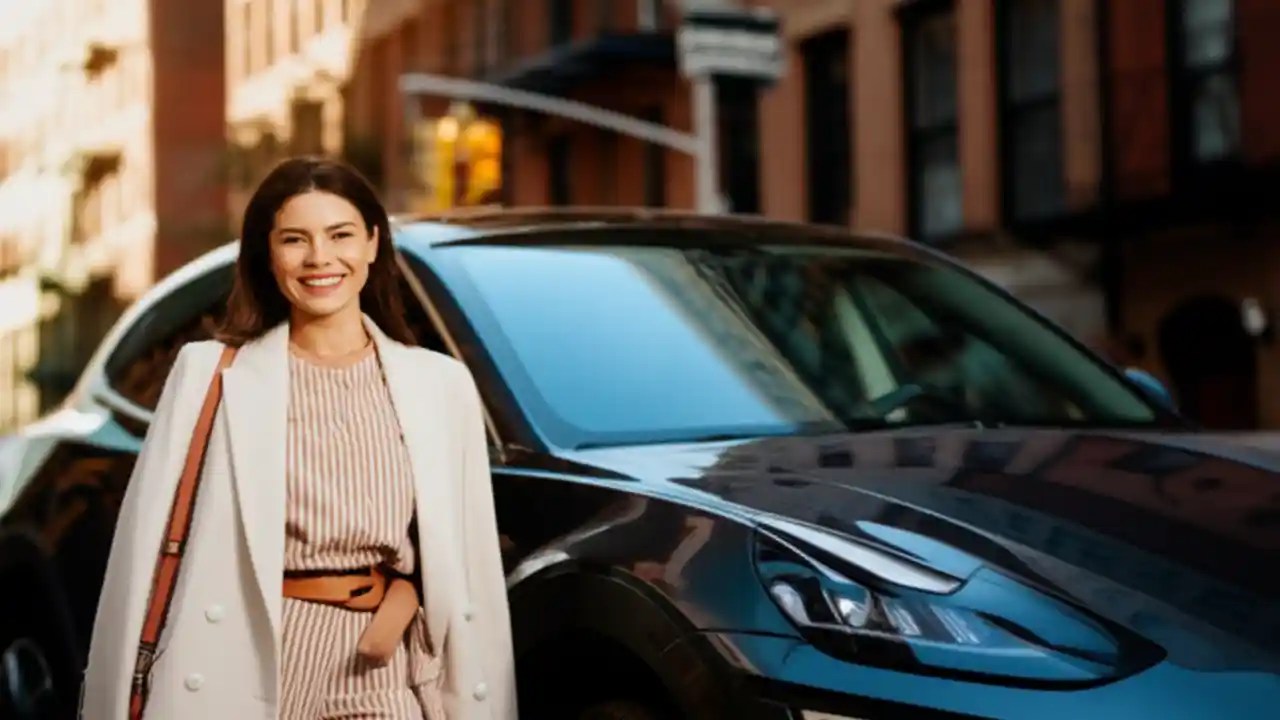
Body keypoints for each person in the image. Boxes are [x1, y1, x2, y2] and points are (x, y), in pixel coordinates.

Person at [80, 157, 516, 719]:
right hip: (244, 663)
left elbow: (471, 566)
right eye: (294, 239)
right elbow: (139, 560)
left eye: (340, 235)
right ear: (268, 254)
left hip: (382, 667)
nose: (319, 258)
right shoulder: (208, 373)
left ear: (373, 243)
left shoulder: (440, 384)